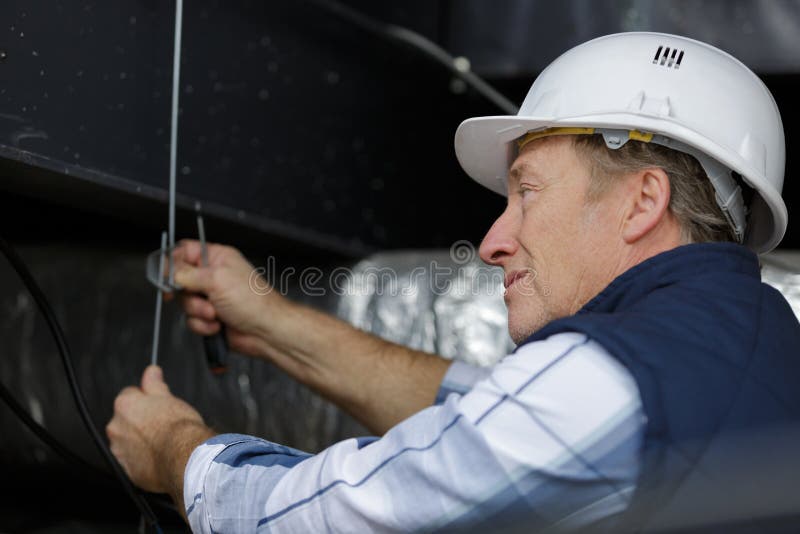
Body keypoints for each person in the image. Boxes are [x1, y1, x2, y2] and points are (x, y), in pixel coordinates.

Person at [107, 32, 800, 532]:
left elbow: (314, 519)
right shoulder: (747, 349)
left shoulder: (608, 382)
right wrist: (271, 321)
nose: (495, 242)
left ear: (641, 202)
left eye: (526, 192)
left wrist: (175, 451)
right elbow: (476, 417)